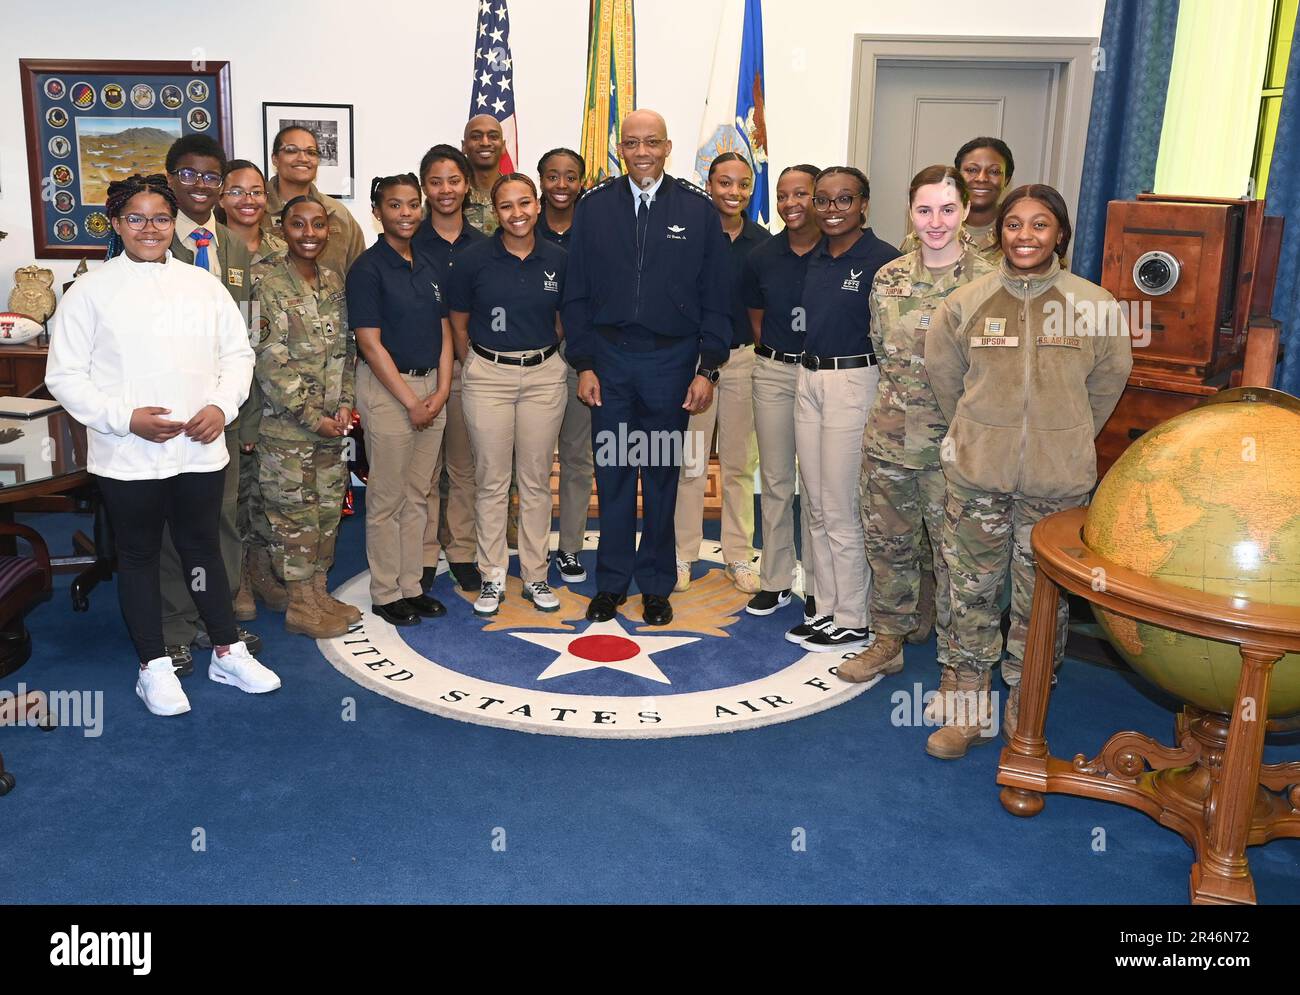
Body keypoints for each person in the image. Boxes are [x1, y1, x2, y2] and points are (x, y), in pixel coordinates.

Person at [46, 174, 279, 716]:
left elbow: (238, 355)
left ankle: (225, 648)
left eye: (160, 218)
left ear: (174, 224)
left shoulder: (204, 285)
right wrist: (124, 419)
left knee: (202, 550)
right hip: (127, 452)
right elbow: (65, 376)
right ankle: (152, 665)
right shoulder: (90, 292)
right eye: (136, 218)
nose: (149, 228)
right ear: (116, 224)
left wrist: (221, 407)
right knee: (140, 557)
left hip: (199, 448)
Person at [925, 184, 1132, 759]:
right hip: (976, 481)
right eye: (1014, 225)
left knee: (1041, 603)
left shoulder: (1095, 306)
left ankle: (1025, 704)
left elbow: (1106, 385)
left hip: (1055, 487)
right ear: (1000, 233)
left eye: (1039, 225)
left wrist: (1060, 439)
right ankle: (967, 706)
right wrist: (979, 437)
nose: (1025, 236)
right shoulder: (965, 303)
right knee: (969, 593)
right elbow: (947, 383)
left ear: (1059, 234)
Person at [563, 109, 730, 627]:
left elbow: (716, 298)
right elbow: (576, 293)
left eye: (651, 142)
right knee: (613, 475)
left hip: (669, 364)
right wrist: (585, 364)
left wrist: (707, 369)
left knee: (659, 475)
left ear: (667, 146)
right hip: (610, 363)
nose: (641, 151)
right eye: (631, 142)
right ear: (620, 149)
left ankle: (656, 585)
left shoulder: (696, 210)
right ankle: (611, 584)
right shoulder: (595, 209)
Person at [836, 165, 994, 689]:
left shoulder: (989, 284)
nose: (936, 222)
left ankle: (958, 665)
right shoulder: (889, 276)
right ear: (910, 211)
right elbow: (884, 353)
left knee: (957, 560)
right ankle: (888, 640)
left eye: (948, 209)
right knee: (888, 545)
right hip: (887, 440)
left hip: (954, 450)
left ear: (966, 210)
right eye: (925, 210)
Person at [161, 135, 260, 672]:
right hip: (166, 416)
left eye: (211, 178)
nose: (200, 186)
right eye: (189, 175)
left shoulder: (236, 249)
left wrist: (238, 411)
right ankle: (175, 626)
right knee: (174, 524)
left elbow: (247, 339)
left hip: (222, 412)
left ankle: (216, 621)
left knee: (221, 520)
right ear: (171, 178)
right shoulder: (147, 240)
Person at [449, 173, 568, 615]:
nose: (516, 213)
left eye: (524, 203)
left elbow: (562, 320)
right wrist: (478, 364)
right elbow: (459, 321)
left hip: (543, 376)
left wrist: (539, 354)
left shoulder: (559, 259)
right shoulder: (473, 259)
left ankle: (536, 576)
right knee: (492, 480)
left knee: (536, 481)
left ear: (537, 206)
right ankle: (492, 576)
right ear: (494, 212)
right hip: (487, 376)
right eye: (506, 206)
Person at [791, 166, 899, 652]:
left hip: (853, 382)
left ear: (864, 205)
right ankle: (826, 607)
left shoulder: (883, 261)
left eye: (844, 200)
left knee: (839, 507)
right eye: (824, 200)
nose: (832, 210)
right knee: (813, 503)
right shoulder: (815, 257)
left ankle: (854, 616)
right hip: (807, 377)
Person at [348, 174, 453, 626]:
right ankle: (386, 591)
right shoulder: (367, 270)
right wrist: (412, 400)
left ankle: (412, 585)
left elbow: (445, 329)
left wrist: (443, 389)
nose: (406, 213)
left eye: (413, 204)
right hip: (390, 394)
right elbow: (370, 343)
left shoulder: (429, 265)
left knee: (419, 494)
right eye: (396, 205)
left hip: (432, 391)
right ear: (378, 212)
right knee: (388, 498)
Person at [252, 195, 357, 639]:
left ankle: (318, 592)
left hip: (333, 426)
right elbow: (268, 359)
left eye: (317, 225)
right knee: (294, 517)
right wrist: (314, 417)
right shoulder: (267, 283)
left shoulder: (333, 279)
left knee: (327, 512)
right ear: (282, 228)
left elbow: (347, 348)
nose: (309, 233)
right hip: (288, 429)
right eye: (298, 225)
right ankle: (299, 606)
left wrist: (347, 402)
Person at [674, 151, 766, 596]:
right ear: (708, 185)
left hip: (743, 362)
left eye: (743, 184)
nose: (734, 192)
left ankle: (738, 556)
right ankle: (682, 555)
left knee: (738, 465)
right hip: (694, 365)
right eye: (724, 183)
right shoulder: (688, 235)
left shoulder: (763, 242)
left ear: (752, 188)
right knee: (690, 463)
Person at [743, 164, 820, 619]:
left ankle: (816, 582)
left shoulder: (837, 254)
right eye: (783, 195)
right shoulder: (761, 256)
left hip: (821, 377)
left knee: (816, 485)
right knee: (775, 481)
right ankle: (774, 580)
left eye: (801, 194)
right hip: (772, 371)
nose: (791, 204)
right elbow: (757, 317)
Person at [413, 144, 487, 593]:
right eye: (436, 181)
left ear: (466, 186)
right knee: (423, 475)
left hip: (465, 370)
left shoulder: (483, 245)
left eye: (454, 180)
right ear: (424, 186)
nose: (445, 190)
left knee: (464, 469)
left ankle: (461, 550)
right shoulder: (409, 239)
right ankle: (422, 555)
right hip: (419, 373)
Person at [217, 158, 288, 623]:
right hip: (231, 386)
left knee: (268, 487)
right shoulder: (209, 251)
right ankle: (237, 577)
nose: (248, 200)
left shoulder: (284, 249)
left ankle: (263, 570)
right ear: (221, 198)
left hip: (278, 385)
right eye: (238, 191)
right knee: (236, 487)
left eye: (257, 191)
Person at [537, 148, 594, 583]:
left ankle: (570, 548)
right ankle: (528, 543)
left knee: (577, 458)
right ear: (540, 180)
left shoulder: (596, 232)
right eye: (552, 176)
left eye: (569, 177)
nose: (561, 184)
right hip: (531, 361)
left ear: (582, 182)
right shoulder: (518, 225)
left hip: (579, 357)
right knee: (529, 462)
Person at [263, 125, 366, 277]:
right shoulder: (255, 209)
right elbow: (242, 287)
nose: (303, 158)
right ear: (275, 159)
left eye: (311, 152)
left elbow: (360, 276)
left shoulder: (338, 214)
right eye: (292, 150)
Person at [902, 138, 1013, 262]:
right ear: (958, 176)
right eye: (972, 170)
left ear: (1006, 180)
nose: (982, 178)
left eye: (994, 171)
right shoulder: (920, 238)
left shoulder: (1016, 233)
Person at [462, 115, 505, 235]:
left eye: (493, 137)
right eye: (476, 137)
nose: (485, 142)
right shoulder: (452, 196)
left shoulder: (517, 195)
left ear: (503, 146)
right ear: (464, 146)